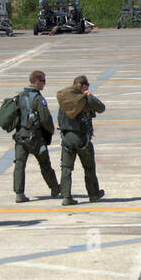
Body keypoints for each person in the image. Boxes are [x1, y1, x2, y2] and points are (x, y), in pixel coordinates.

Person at [55, 75, 105, 205]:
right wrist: (90, 96)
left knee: (66, 168)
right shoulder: (85, 99)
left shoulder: (65, 101)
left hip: (66, 138)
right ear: (84, 86)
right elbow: (101, 108)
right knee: (89, 167)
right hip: (82, 139)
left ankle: (66, 197)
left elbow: (59, 119)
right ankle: (93, 194)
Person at [12, 70, 59, 202]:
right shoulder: (38, 99)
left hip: (20, 137)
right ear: (37, 82)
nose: (44, 84)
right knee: (44, 163)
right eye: (43, 81)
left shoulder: (19, 97)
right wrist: (51, 130)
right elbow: (45, 118)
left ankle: (19, 193)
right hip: (35, 138)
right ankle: (55, 188)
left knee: (19, 164)